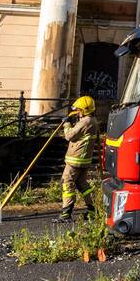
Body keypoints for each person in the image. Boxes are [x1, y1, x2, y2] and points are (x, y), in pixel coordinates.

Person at [56, 95, 97, 223]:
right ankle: (92, 210)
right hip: (84, 160)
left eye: (79, 110)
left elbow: (69, 136)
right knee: (83, 185)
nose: (78, 112)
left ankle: (66, 214)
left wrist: (67, 124)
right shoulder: (92, 121)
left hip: (75, 160)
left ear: (84, 110)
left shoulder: (85, 122)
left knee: (67, 183)